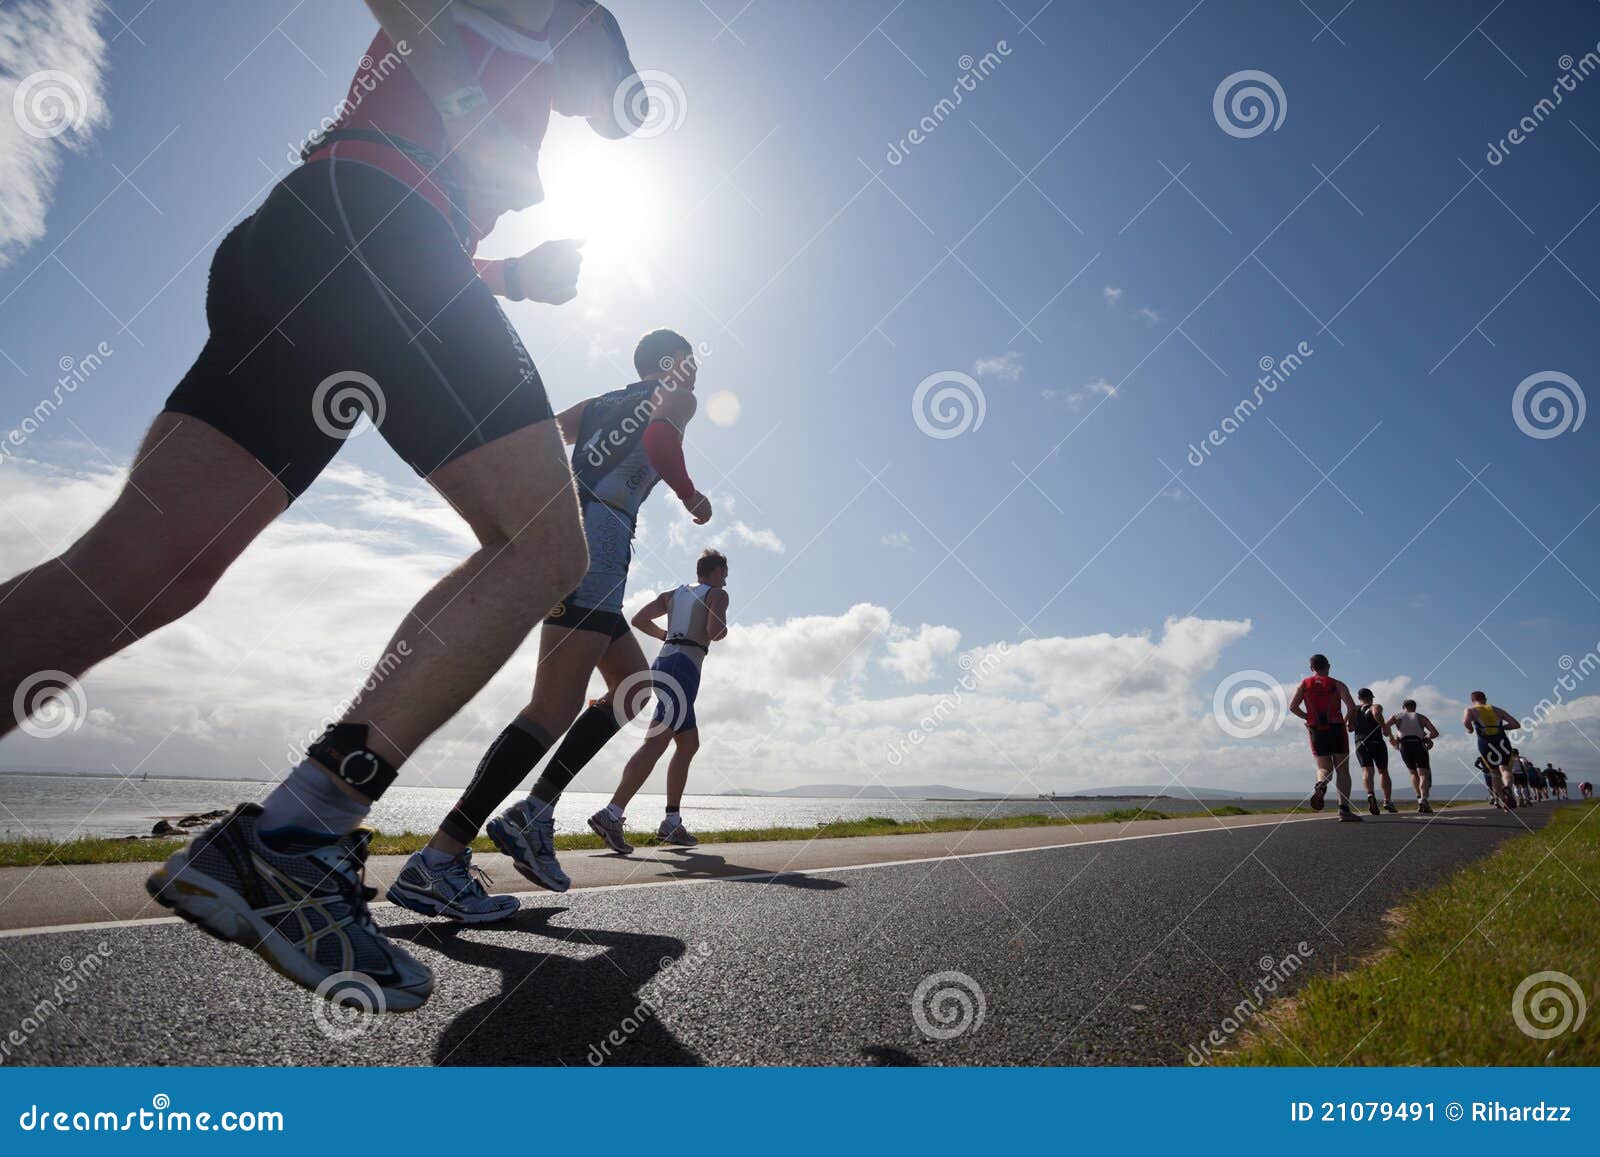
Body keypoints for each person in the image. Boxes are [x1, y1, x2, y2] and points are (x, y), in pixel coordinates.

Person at [0, 0, 653, 1011]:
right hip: (379, 229)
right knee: (544, 544)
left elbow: (585, 121)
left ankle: (289, 842)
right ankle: (298, 836)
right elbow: (617, 103)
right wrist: (481, 100)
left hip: (319, 235)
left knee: (147, 566)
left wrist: (507, 272)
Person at [386, 331, 713, 917]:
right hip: (599, 541)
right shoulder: (676, 398)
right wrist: (690, 496)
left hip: (571, 532)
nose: (695, 374)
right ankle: (438, 860)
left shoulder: (598, 405)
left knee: (633, 689)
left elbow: (539, 435)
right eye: (690, 363)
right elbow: (662, 440)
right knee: (551, 708)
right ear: (672, 365)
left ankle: (533, 812)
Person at [587, 550, 731, 853]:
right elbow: (714, 632)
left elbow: (639, 618)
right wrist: (722, 628)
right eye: (725, 572)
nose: (726, 578)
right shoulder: (718, 594)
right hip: (684, 668)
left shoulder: (673, 594)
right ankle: (611, 814)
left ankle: (671, 822)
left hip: (666, 662)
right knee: (656, 742)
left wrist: (665, 633)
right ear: (716, 571)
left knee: (688, 744)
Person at [1288, 655, 1363, 823]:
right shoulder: (1337, 684)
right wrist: (1349, 723)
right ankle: (1343, 810)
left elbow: (1293, 707)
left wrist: (1308, 717)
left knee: (1324, 768)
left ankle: (1321, 784)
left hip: (1316, 729)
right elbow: (1351, 707)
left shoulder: (1304, 685)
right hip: (1336, 728)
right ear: (1328, 666)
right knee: (1342, 770)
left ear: (1311, 668)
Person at [1464, 691, 1521, 811]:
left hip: (1485, 743)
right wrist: (1502, 727)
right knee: (1505, 768)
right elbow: (1516, 724)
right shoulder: (1498, 710)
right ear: (1485, 699)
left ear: (1472, 700)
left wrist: (1470, 730)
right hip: (1502, 741)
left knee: (1494, 773)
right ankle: (1508, 787)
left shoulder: (1471, 710)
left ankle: (1503, 800)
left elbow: (1466, 722)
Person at [1385, 698, 1439, 814]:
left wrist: (1392, 737)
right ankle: (1424, 799)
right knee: (1423, 773)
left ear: (1403, 707)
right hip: (1418, 744)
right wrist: (1427, 738)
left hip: (1404, 745)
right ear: (1415, 707)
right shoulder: (1421, 717)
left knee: (1413, 772)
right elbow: (1435, 733)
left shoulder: (1397, 716)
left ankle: (1419, 797)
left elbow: (1385, 726)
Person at [1350, 688, 1397, 815]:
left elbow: (1348, 726)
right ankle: (1387, 801)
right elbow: (1376, 713)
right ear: (1371, 697)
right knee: (1383, 771)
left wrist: (1353, 725)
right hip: (1376, 741)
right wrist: (1385, 728)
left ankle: (1370, 794)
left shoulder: (1353, 709)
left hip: (1360, 742)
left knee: (1367, 770)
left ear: (1359, 698)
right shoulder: (1375, 706)